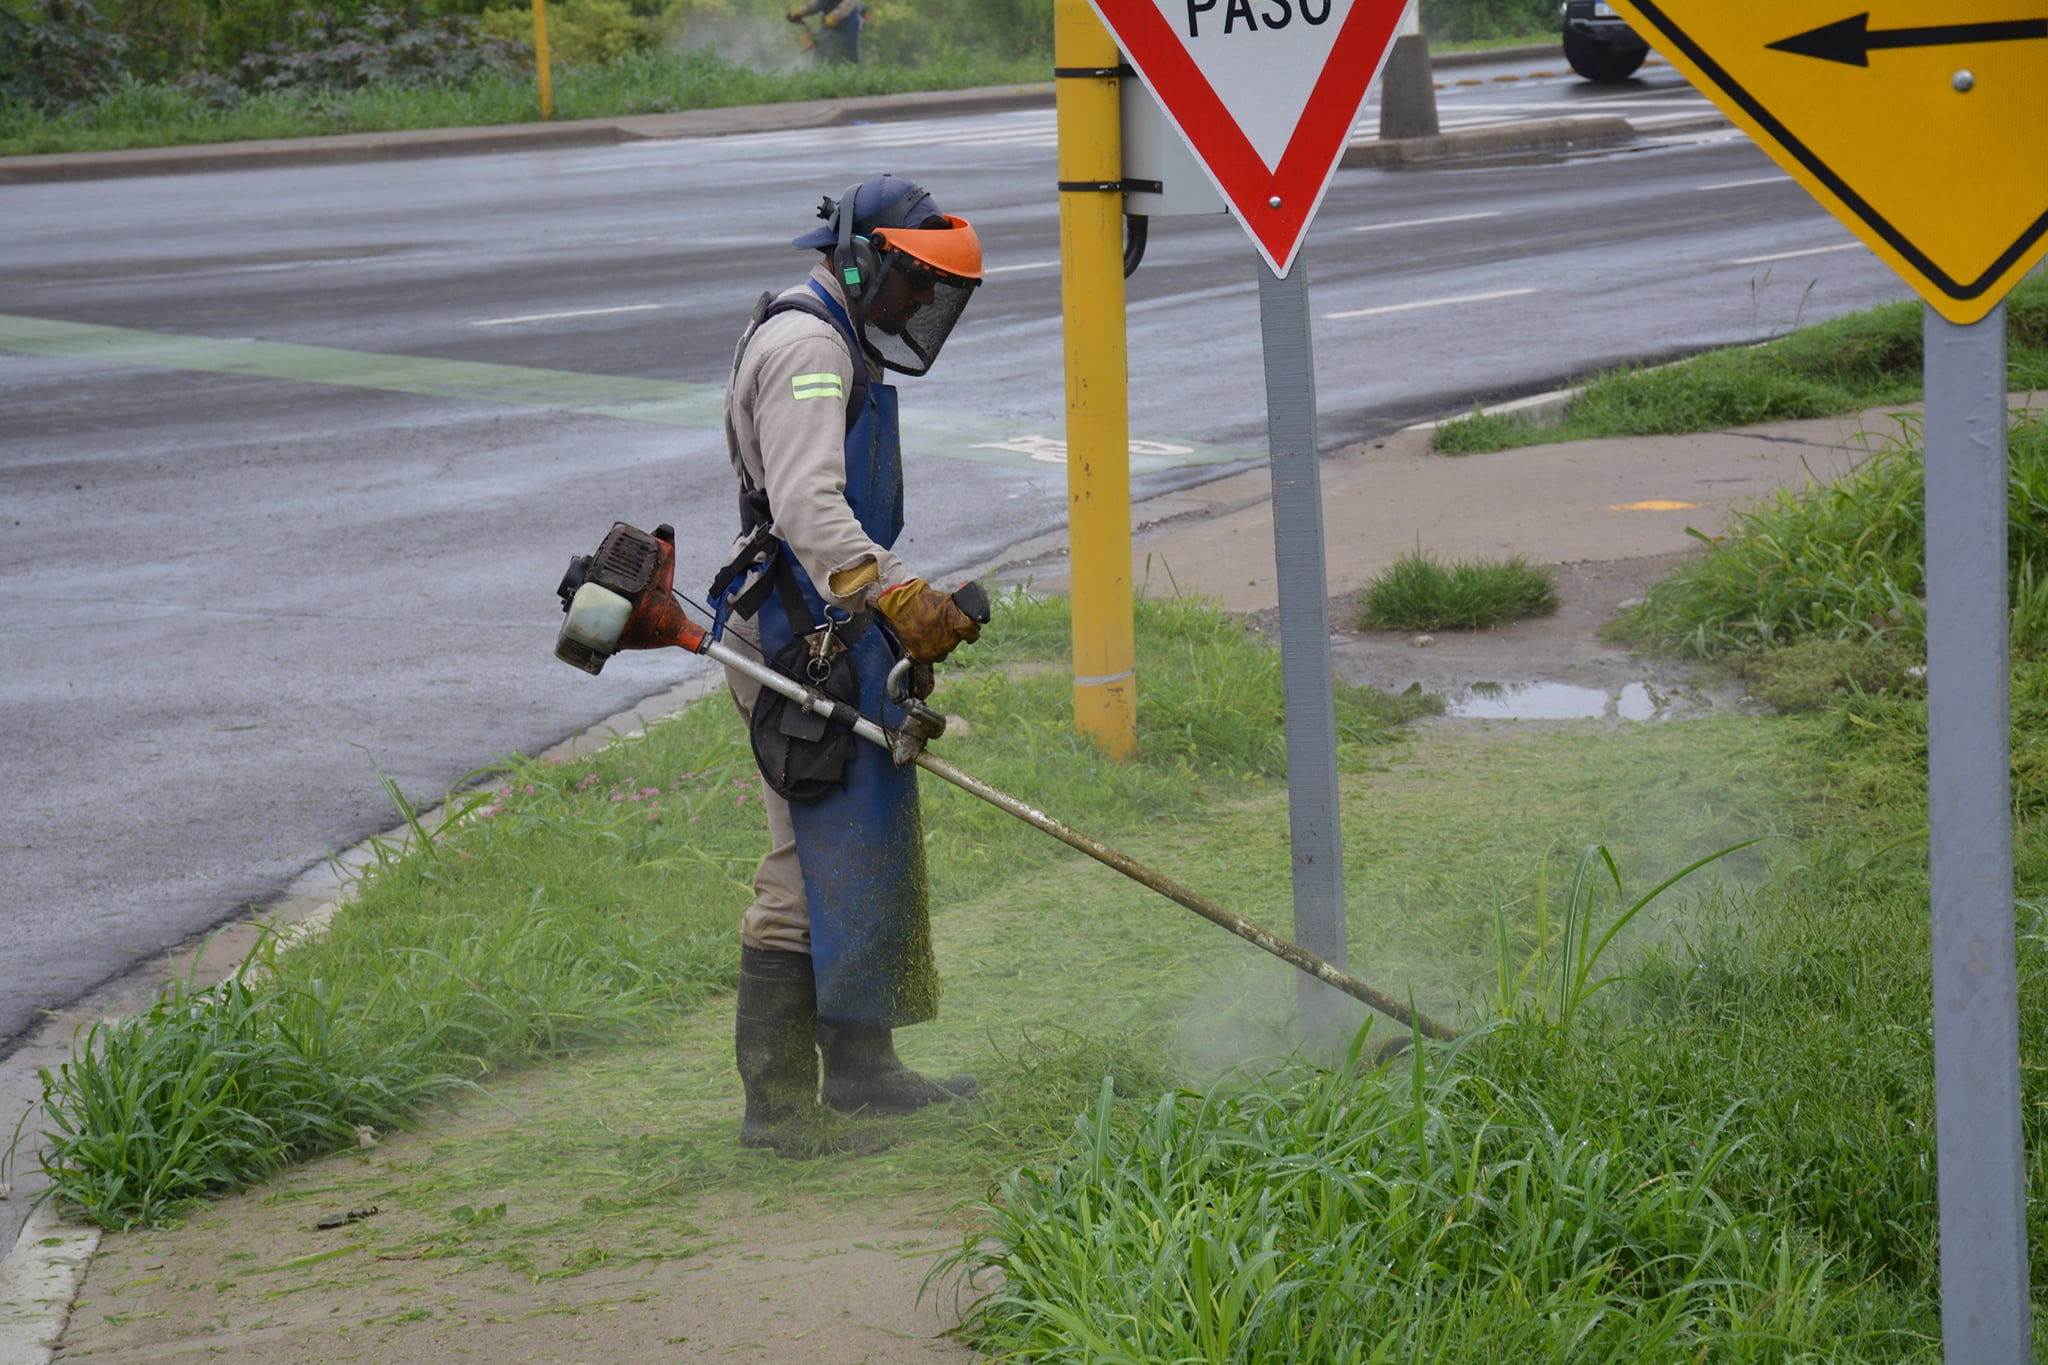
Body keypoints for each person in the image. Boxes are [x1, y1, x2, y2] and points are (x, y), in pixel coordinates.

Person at [715, 176, 986, 1158]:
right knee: (803, 864)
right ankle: (780, 1117)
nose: (921, 307)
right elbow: (809, 512)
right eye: (915, 285)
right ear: (866, 260)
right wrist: (905, 596)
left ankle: (866, 1076)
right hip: (797, 637)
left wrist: (890, 606)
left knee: (861, 842)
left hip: (831, 627)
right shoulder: (808, 352)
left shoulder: (826, 337)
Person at [786, 0, 863, 63]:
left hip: (847, 24)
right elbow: (818, 2)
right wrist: (802, 12)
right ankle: (817, 76)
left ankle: (851, 79)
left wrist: (835, 16)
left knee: (847, 58)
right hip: (828, 21)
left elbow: (850, 3)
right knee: (820, 53)